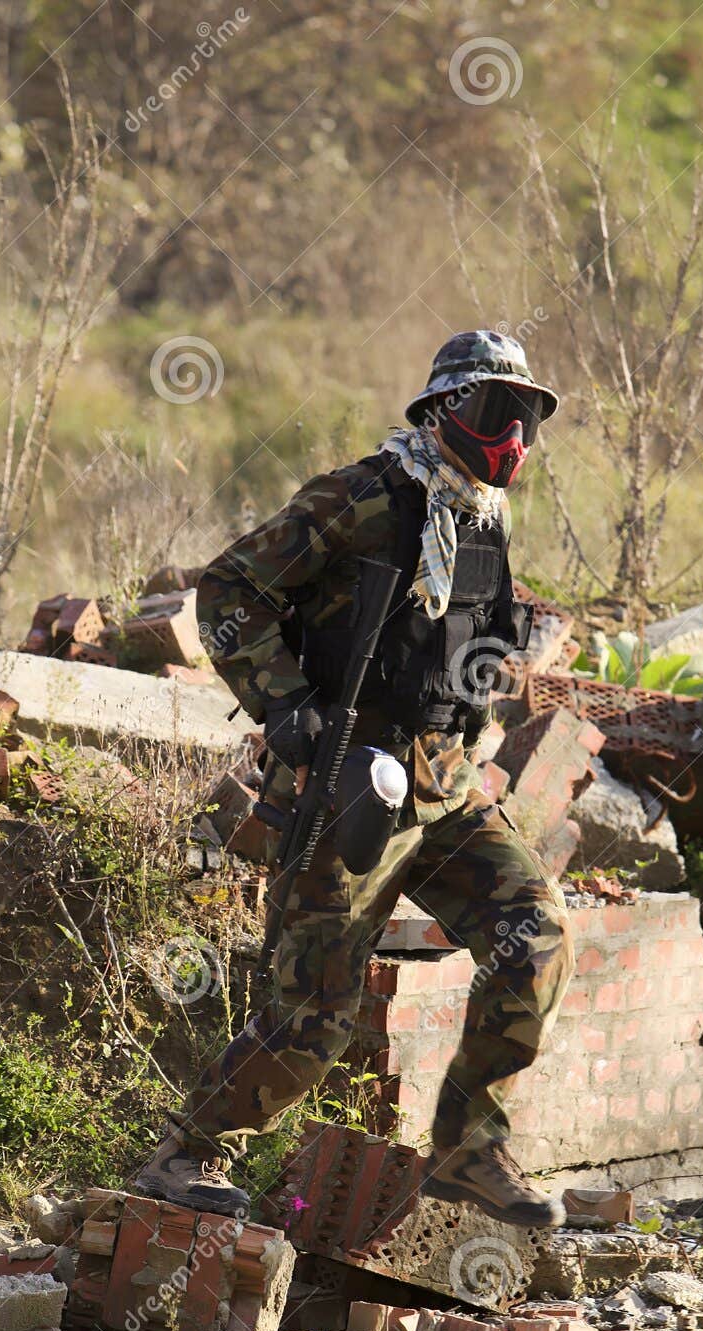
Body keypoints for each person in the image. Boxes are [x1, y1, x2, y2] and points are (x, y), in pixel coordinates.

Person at [136, 329, 575, 1228]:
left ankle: (468, 1150)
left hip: (444, 785)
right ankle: (186, 1154)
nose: (516, 435)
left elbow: (465, 644)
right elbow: (228, 590)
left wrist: (487, 705)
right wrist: (286, 706)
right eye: (499, 409)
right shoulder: (367, 495)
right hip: (346, 787)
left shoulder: (480, 516)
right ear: (445, 410)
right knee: (317, 1017)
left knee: (532, 935)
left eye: (527, 415)